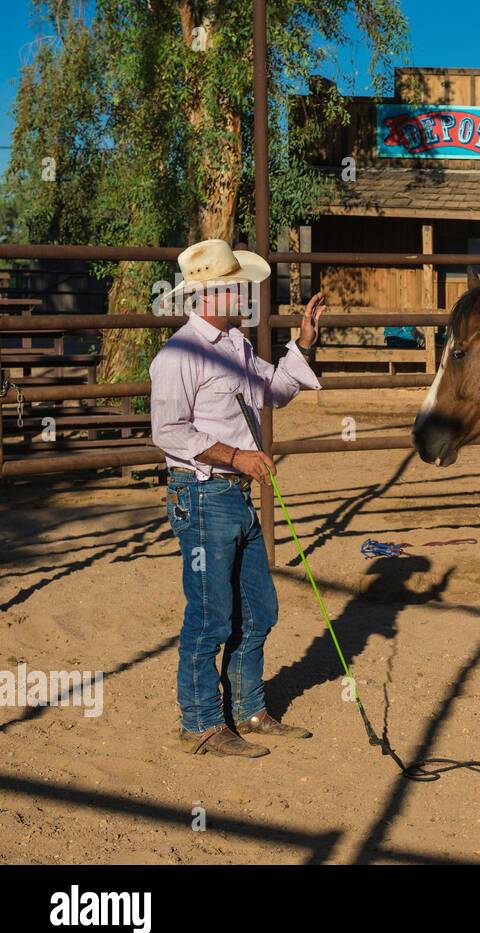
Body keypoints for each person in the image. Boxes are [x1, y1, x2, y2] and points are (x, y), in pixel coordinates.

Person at [149, 238, 325, 757]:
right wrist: (236, 455)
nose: (244, 293)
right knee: (211, 613)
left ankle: (247, 710)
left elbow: (274, 389)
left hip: (230, 494)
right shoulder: (178, 354)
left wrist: (304, 344)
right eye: (234, 286)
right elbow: (168, 432)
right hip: (202, 491)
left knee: (259, 608)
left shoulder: (235, 345)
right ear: (209, 293)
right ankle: (200, 723)